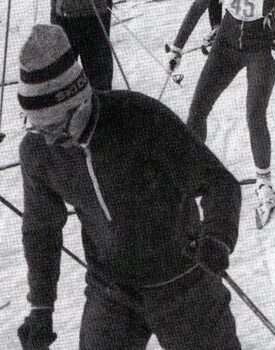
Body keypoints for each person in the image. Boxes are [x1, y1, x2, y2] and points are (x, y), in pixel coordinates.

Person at [16, 23, 242, 350]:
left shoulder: (138, 118)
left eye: (57, 127)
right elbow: (41, 227)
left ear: (81, 100)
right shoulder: (39, 149)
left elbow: (218, 182)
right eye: (38, 128)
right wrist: (41, 307)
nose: (51, 139)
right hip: (112, 291)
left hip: (183, 280)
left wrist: (218, 237)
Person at [169, 0, 275, 228]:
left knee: (254, 112)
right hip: (226, 45)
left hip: (260, 50)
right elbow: (199, 6)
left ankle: (265, 184)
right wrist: (176, 47)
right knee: (198, 108)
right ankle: (190, 174)